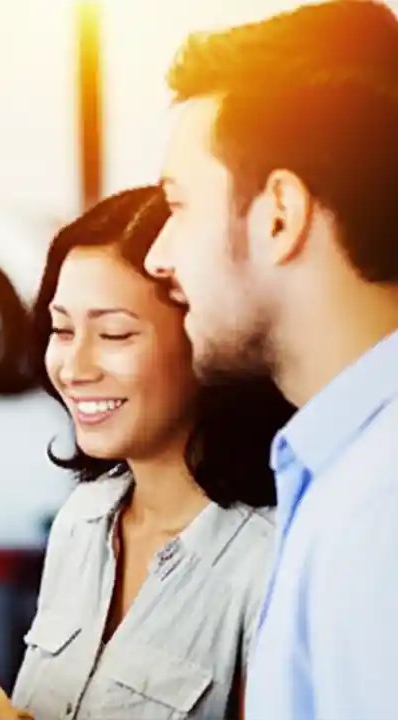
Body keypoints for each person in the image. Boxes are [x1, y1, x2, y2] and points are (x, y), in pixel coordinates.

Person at [0, 186, 295, 720]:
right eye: (62, 329)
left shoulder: (274, 558)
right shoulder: (85, 520)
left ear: (208, 337)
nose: (75, 367)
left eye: (114, 333)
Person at [143, 3, 398, 718]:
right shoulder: (341, 470)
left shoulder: (380, 508)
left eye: (179, 205)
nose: (159, 258)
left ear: (279, 214)